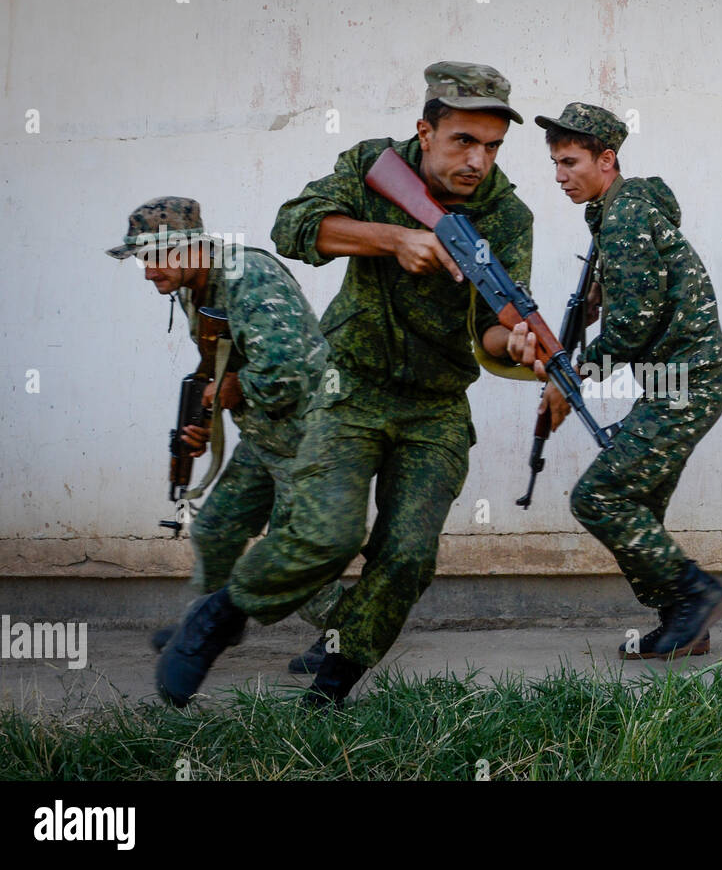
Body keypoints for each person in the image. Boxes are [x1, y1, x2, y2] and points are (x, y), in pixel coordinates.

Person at [154, 62, 548, 708]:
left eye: (493, 146)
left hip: (435, 404)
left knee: (409, 555)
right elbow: (295, 228)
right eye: (464, 142)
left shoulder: (508, 215)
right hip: (348, 388)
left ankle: (333, 685)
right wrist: (393, 238)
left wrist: (521, 345)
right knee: (327, 534)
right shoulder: (372, 167)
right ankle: (218, 616)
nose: (479, 160)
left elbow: (490, 331)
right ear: (425, 130)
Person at [512, 103, 722, 660]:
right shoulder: (616, 212)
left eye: (569, 162)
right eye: (555, 163)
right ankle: (687, 625)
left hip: (685, 385)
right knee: (638, 504)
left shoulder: (627, 213)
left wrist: (574, 376)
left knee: (599, 496)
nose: (559, 176)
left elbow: (632, 324)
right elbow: (633, 302)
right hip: (674, 383)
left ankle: (696, 594)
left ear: (606, 159)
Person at [107, 197, 340, 674]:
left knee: (296, 547)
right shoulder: (196, 288)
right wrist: (203, 415)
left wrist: (230, 388)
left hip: (307, 436)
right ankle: (216, 624)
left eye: (155, 257)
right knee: (216, 527)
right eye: (142, 260)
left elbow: (293, 370)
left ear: (191, 248)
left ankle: (344, 638)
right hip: (265, 436)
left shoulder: (247, 277)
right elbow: (225, 361)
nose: (148, 272)